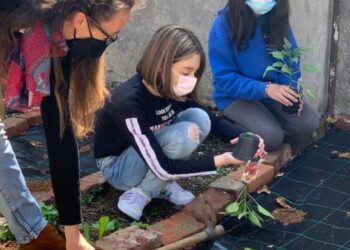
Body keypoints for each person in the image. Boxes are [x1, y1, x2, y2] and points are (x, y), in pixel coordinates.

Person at [0, 0, 142, 249]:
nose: (106, 45)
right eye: (108, 37)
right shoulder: (13, 18)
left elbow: (61, 137)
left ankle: (37, 237)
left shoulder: (56, 46)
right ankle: (35, 235)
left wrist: (73, 236)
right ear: (79, 20)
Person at [94, 24, 266, 221]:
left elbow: (210, 119)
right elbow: (162, 166)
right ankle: (141, 194)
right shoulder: (128, 103)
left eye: (194, 73)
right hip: (118, 168)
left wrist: (245, 136)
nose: (191, 80)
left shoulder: (169, 88)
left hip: (148, 155)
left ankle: (161, 184)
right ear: (162, 64)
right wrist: (223, 159)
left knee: (199, 118)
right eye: (186, 72)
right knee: (182, 135)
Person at [208, 0, 319, 154]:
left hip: (271, 92)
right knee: (271, 137)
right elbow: (224, 78)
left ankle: (277, 136)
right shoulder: (223, 24)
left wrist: (292, 91)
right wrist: (265, 88)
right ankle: (229, 125)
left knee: (309, 122)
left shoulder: (277, 19)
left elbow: (290, 59)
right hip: (234, 96)